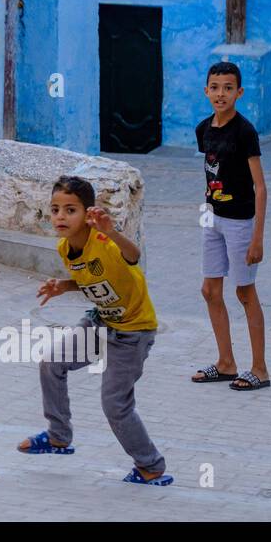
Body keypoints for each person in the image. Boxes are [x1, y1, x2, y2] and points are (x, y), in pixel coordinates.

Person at [18, 176, 173, 486]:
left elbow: (133, 257)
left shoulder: (105, 242)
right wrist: (64, 285)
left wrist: (112, 232)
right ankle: (58, 435)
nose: (61, 216)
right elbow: (89, 277)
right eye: (55, 209)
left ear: (88, 214)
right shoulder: (65, 248)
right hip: (101, 321)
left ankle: (150, 466)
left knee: (115, 404)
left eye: (70, 210)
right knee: (52, 363)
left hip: (133, 331)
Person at [191, 61, 270, 392]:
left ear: (238, 92)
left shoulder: (245, 131)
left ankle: (260, 369)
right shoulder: (203, 129)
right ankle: (225, 363)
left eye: (227, 88)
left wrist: (257, 239)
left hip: (240, 222)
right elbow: (213, 172)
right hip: (212, 218)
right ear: (206, 90)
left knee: (244, 292)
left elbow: (260, 187)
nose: (220, 93)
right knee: (209, 290)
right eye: (214, 87)